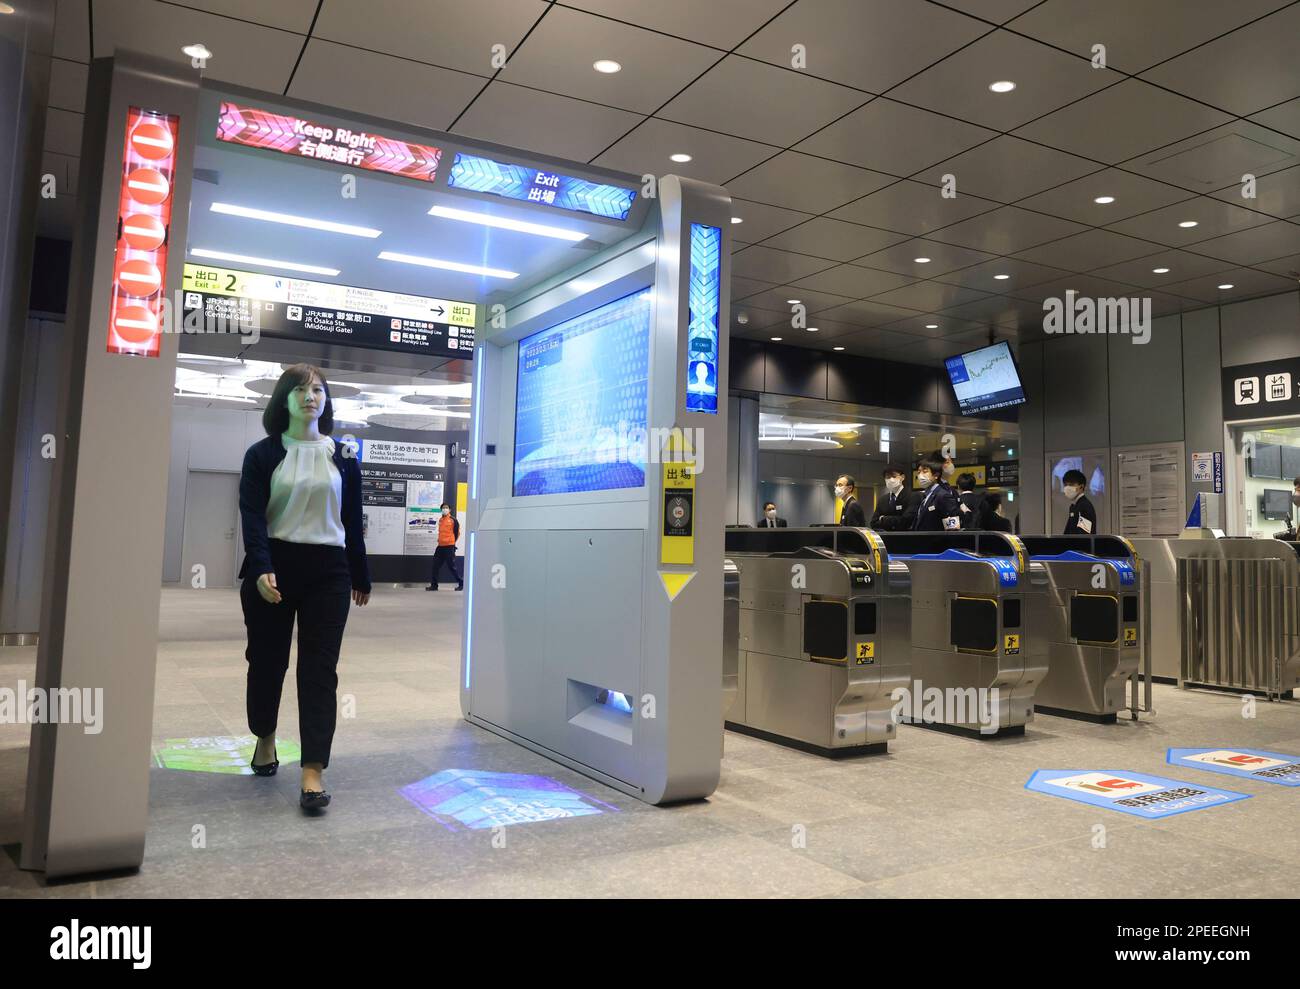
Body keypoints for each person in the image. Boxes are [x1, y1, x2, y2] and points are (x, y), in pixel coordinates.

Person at [238, 363, 371, 813]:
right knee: (266, 662)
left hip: (328, 571)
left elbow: (351, 518)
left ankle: (312, 769)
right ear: (284, 399)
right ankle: (265, 737)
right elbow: (252, 516)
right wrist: (261, 566)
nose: (310, 396)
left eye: (317, 390)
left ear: (326, 400)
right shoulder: (262, 454)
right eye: (299, 390)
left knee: (319, 670)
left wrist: (360, 573)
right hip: (273, 566)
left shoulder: (344, 456)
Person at [912, 451, 961, 531]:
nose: (920, 475)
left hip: (937, 539)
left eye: (925, 471)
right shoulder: (925, 496)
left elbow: (953, 528)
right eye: (919, 472)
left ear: (936, 475)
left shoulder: (943, 496)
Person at [426, 503, 463, 590]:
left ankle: (461, 583)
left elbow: (457, 533)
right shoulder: (440, 520)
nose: (444, 509)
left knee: (451, 567)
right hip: (440, 547)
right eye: (443, 508)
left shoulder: (453, 520)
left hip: (449, 546)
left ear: (449, 510)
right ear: (441, 510)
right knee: (435, 566)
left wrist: (452, 542)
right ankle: (434, 586)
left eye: (446, 507)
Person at [870, 464, 919, 530]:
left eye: (894, 476)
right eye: (887, 477)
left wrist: (883, 518)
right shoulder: (882, 500)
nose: (891, 479)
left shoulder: (913, 496)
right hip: (886, 535)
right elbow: (873, 523)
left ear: (902, 477)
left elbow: (906, 521)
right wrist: (896, 519)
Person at [1061, 468, 1098, 535]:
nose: (1067, 488)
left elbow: (1084, 535)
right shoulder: (1074, 506)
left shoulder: (1084, 506)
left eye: (1071, 484)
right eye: (1066, 485)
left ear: (1081, 487)